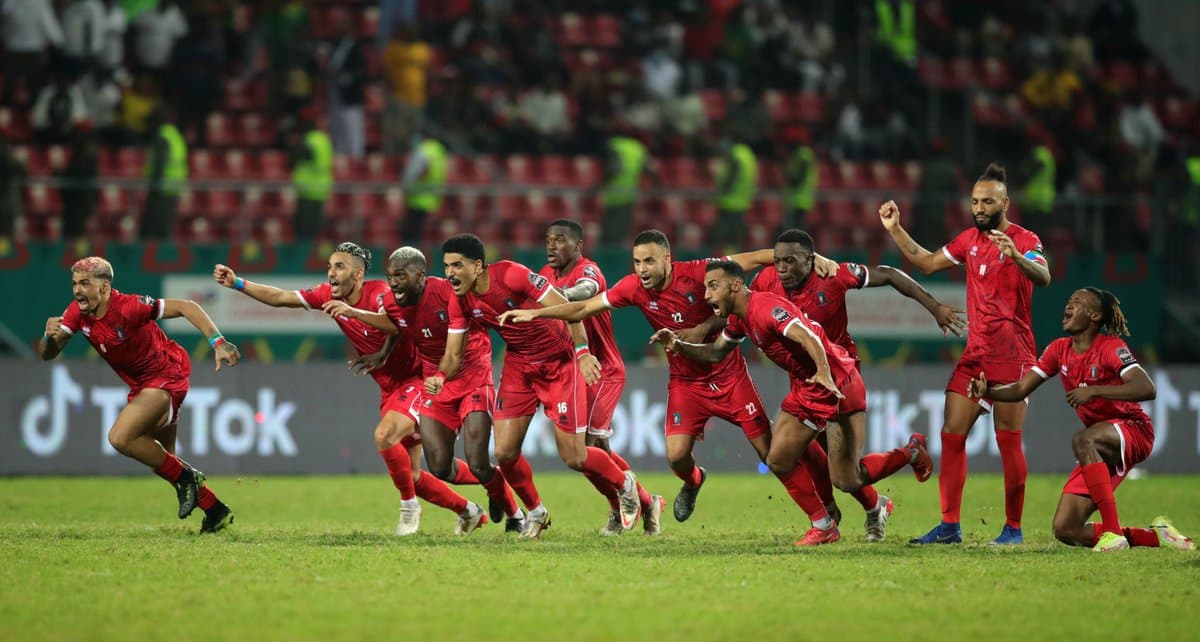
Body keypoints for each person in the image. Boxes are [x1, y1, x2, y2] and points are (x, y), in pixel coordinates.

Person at [497, 230, 841, 538]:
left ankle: (821, 519)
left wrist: (817, 261)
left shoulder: (697, 272)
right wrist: (536, 313)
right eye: (636, 262)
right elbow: (583, 307)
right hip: (685, 382)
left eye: (649, 261)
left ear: (667, 259)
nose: (642, 269)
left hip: (728, 374)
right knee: (676, 458)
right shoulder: (632, 287)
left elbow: (750, 260)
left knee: (770, 454)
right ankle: (694, 481)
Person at [212, 242, 488, 536]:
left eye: (339, 267)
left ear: (358, 274)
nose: (331, 273)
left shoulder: (382, 293)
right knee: (414, 475)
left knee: (385, 435)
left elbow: (398, 324)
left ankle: (409, 509)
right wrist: (238, 283)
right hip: (389, 387)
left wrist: (353, 313)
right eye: (330, 266)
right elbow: (281, 297)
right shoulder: (326, 295)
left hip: (418, 378)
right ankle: (472, 508)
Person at [650, 260, 932, 545]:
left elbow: (807, 335)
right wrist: (678, 345)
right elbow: (715, 353)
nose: (707, 295)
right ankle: (824, 524)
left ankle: (911, 453)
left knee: (848, 479)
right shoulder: (739, 318)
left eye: (713, 287)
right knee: (778, 458)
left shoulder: (765, 308)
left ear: (735, 285)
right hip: (807, 388)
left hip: (837, 384)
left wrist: (823, 371)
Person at [752, 228, 966, 541]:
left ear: (810, 261)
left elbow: (890, 274)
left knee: (845, 476)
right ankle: (854, 510)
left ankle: (909, 454)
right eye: (778, 261)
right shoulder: (765, 281)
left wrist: (934, 307)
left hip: (840, 379)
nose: (782, 268)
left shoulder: (834, 276)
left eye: (791, 261)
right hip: (804, 381)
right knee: (799, 451)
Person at [879, 163, 1051, 545]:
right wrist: (895, 230)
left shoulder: (1024, 239)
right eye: (974, 201)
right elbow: (925, 262)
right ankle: (950, 526)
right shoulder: (968, 240)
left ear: (1004, 203)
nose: (979, 207)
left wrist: (1018, 258)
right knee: (952, 433)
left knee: (1008, 438)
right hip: (976, 354)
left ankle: (1014, 529)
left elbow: (1045, 276)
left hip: (1013, 354)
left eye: (987, 201)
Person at [438, 233, 641, 539]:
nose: (449, 273)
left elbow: (570, 308)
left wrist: (583, 352)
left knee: (575, 457)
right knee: (504, 454)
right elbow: (453, 354)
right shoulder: (460, 299)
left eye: (457, 265)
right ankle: (536, 512)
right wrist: (438, 379)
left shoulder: (513, 275)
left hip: (559, 362)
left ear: (478, 265)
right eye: (446, 266)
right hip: (519, 366)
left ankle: (626, 486)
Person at [968, 288, 1194, 552]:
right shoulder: (1058, 350)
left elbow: (1147, 388)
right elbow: (1020, 389)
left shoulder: (1111, 348)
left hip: (1134, 430)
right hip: (1098, 445)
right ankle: (1156, 537)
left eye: (1077, 302)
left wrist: (1095, 390)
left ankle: (1112, 532)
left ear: (1095, 315)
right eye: (1068, 301)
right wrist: (989, 392)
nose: (1069, 305)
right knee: (1066, 528)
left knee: (1083, 439)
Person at [40, 256, 237, 533]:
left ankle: (190, 479)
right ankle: (216, 511)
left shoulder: (129, 307)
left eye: (85, 283)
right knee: (164, 459)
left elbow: (186, 306)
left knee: (120, 438)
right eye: (74, 284)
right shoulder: (77, 313)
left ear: (105, 287)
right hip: (143, 386)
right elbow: (48, 354)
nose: (77, 290)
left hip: (167, 376)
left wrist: (218, 342)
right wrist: (48, 337)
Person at [345, 247, 523, 532]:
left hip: (473, 375)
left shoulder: (447, 293)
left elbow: (482, 316)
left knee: (476, 458)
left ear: (420, 275)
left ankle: (516, 514)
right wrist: (383, 353)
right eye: (390, 276)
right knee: (439, 467)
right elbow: (397, 327)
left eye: (400, 276)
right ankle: (489, 487)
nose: (393, 283)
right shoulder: (393, 302)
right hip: (435, 382)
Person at [540, 219, 664, 535]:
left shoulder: (589, 270)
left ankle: (625, 499)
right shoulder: (544, 275)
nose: (552, 245)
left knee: (586, 446)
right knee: (592, 452)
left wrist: (554, 295)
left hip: (602, 369)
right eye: (548, 240)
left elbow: (587, 291)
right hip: (575, 373)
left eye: (560, 240)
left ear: (578, 246)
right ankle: (645, 500)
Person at [141, 107, 187, 239]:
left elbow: (159, 164)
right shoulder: (176, 135)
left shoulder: (162, 136)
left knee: (154, 230)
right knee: (165, 229)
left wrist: (152, 187)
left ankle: (152, 258)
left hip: (161, 189)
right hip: (175, 187)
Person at [290, 110, 333, 240]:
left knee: (304, 228)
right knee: (315, 226)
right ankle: (312, 254)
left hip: (307, 189)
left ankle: (304, 254)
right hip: (321, 189)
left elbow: (298, 158)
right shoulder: (324, 139)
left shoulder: (308, 141)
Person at [711, 139, 757, 254]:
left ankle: (725, 261)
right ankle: (732, 260)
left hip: (729, 202)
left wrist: (723, 189)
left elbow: (733, 173)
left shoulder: (735, 155)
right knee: (735, 237)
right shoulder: (747, 154)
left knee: (725, 236)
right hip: (742, 201)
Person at [399, 134, 447, 245]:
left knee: (413, 234)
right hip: (433, 199)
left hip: (418, 199)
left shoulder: (423, 150)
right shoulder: (439, 151)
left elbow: (418, 172)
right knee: (426, 235)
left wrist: (405, 185)